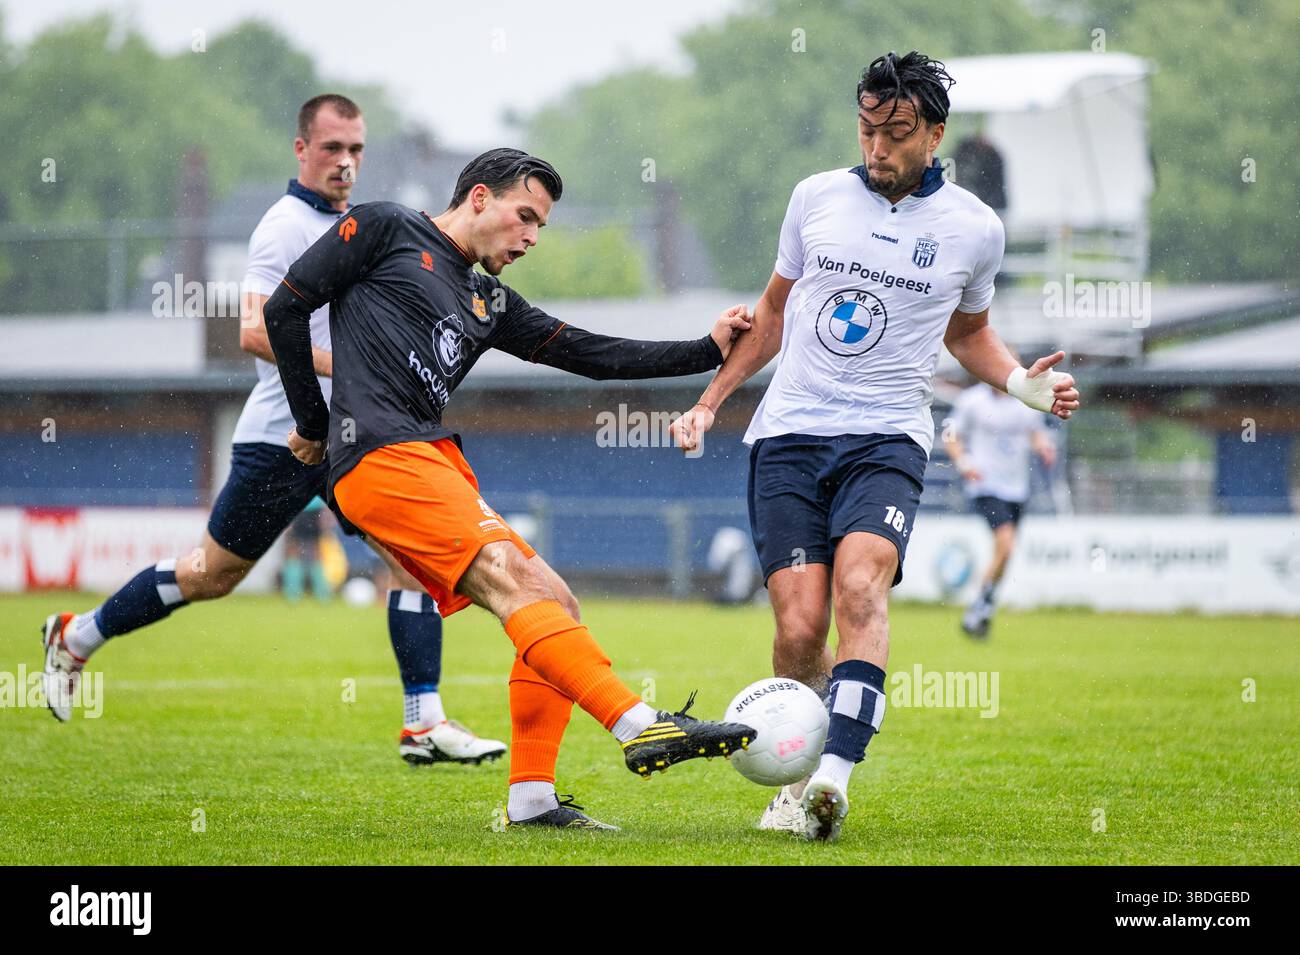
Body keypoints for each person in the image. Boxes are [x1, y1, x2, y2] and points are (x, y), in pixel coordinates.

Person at [262, 147, 758, 830]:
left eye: (541, 227)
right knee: (514, 582)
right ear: (477, 199)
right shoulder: (383, 229)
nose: (529, 237)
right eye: (524, 217)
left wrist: (704, 349)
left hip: (428, 456)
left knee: (555, 598)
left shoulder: (488, 300)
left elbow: (590, 352)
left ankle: (532, 799)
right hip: (380, 457)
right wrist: (314, 425)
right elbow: (284, 308)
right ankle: (640, 724)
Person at [671, 51, 1081, 841]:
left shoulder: (974, 228)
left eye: (896, 133)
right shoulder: (815, 198)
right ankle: (799, 771)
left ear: (935, 134)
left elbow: (970, 336)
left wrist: (1019, 384)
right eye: (867, 130)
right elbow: (772, 314)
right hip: (789, 436)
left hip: (887, 436)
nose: (877, 149)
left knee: (862, 586)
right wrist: (708, 399)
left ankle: (829, 781)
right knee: (797, 630)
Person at [41, 93, 505, 766]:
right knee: (211, 573)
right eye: (332, 149)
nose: (346, 163)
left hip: (353, 438)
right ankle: (78, 633)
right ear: (301, 150)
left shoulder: (364, 226)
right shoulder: (283, 225)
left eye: (356, 151)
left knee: (415, 560)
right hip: (281, 436)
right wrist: (345, 366)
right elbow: (253, 329)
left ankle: (422, 720)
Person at [944, 379, 1057, 638]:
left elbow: (1036, 432)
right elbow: (950, 432)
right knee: (1005, 544)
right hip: (985, 485)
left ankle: (983, 608)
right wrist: (963, 462)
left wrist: (1044, 447)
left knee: (1005, 553)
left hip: (1017, 488)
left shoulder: (1026, 401)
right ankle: (978, 608)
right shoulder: (972, 400)